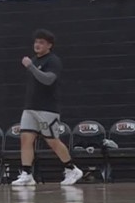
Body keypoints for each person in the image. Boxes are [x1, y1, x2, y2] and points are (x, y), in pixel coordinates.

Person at [11, 29, 83, 187]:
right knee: (25, 139)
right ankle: (27, 174)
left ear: (49, 45)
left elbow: (48, 80)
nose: (37, 45)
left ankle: (72, 169)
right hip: (30, 107)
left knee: (52, 141)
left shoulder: (53, 61)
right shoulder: (34, 60)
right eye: (36, 42)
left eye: (41, 42)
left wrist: (31, 67)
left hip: (47, 108)